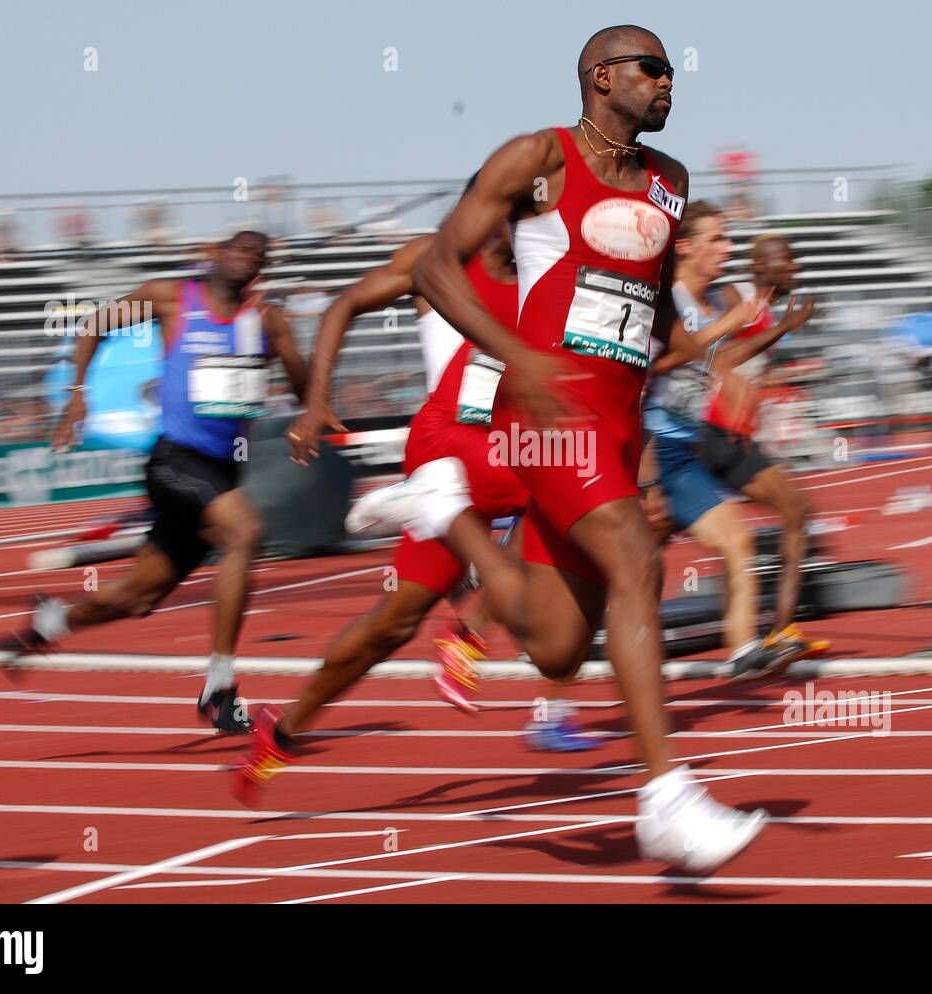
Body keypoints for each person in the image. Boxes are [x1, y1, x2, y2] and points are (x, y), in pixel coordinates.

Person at [334, 25, 768, 873]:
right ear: (602, 78)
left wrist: (715, 359)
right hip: (544, 415)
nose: (670, 83)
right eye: (654, 70)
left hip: (614, 424)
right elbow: (435, 271)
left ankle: (446, 510)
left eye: (674, 72)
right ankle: (666, 797)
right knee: (636, 560)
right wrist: (521, 355)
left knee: (560, 645)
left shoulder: (671, 184)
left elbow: (651, 318)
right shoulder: (537, 159)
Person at [15, 231, 308, 733]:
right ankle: (219, 685)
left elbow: (307, 387)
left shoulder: (266, 320)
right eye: (240, 246)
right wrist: (78, 394)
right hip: (175, 463)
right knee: (245, 532)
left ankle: (53, 621)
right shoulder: (171, 296)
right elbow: (93, 325)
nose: (249, 255)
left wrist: (311, 398)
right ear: (215, 254)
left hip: (222, 473)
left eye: (259, 253)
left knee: (138, 598)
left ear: (263, 269)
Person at [642, 200, 783, 676]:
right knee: (629, 563)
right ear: (685, 246)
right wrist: (728, 323)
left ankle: (743, 650)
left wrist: (771, 331)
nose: (727, 248)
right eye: (716, 239)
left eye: (727, 238)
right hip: (647, 449)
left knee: (738, 541)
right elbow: (654, 367)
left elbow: (719, 361)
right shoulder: (668, 300)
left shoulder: (711, 303)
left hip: (684, 450)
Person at [690, 232, 826, 675]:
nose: (795, 268)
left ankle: (772, 635)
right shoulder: (737, 296)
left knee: (791, 513)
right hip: (708, 435)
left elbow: (744, 369)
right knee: (792, 512)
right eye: (787, 260)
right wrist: (782, 330)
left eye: (795, 259)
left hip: (732, 440)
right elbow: (722, 359)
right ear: (762, 264)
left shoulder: (765, 309)